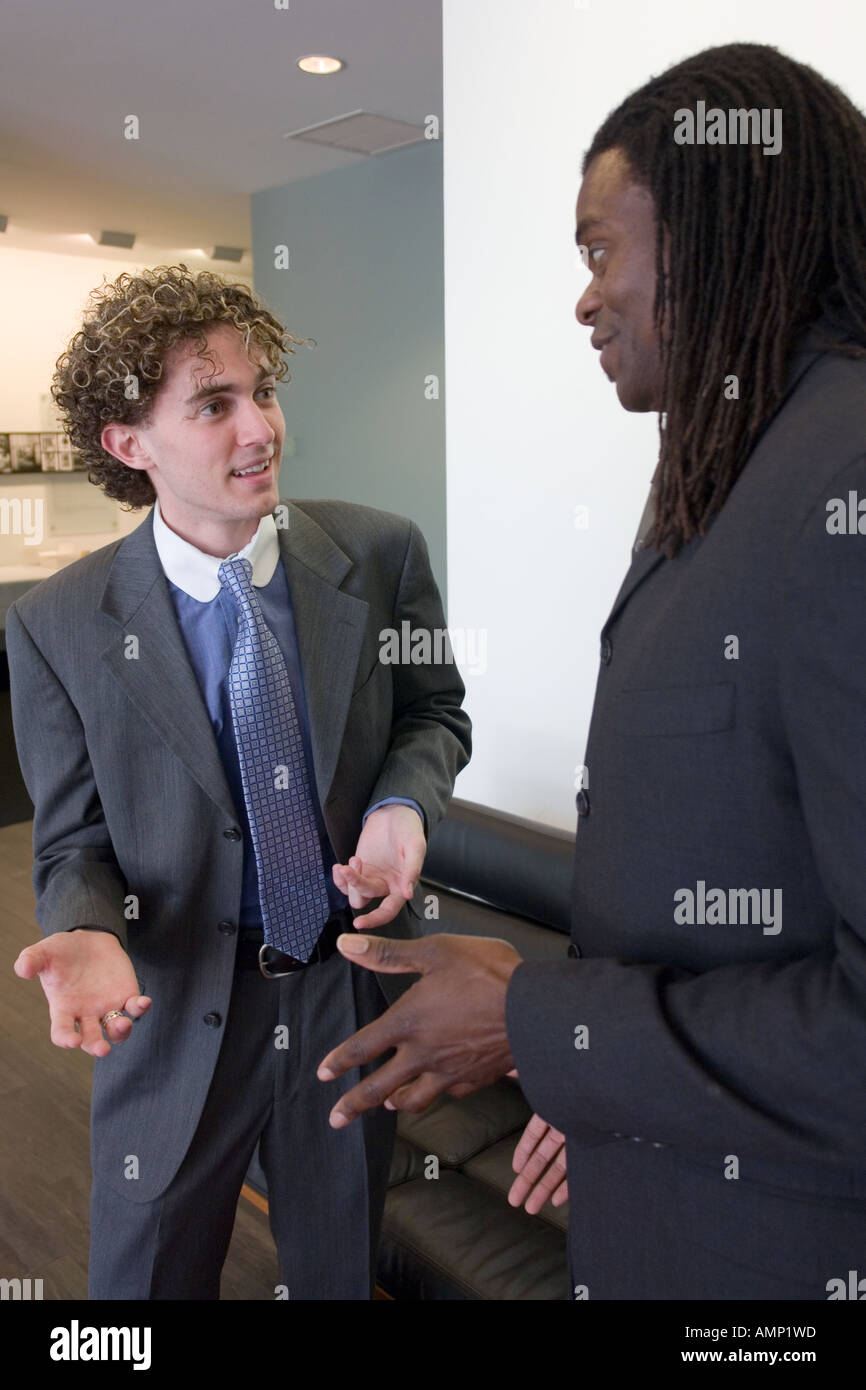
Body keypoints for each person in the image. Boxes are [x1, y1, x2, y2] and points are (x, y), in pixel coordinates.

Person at [317, 43, 866, 1300]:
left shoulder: (840, 486)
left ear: (721, 228)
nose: (584, 298)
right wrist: (592, 1075)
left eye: (597, 250)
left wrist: (539, 1025)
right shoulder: (730, 474)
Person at [7, 264, 471, 1299]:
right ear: (131, 445)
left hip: (339, 991)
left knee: (337, 1271)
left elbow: (432, 713)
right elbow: (73, 840)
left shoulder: (378, 552)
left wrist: (401, 804)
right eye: (212, 405)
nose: (259, 428)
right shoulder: (58, 624)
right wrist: (85, 926)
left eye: (262, 391)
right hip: (170, 1012)